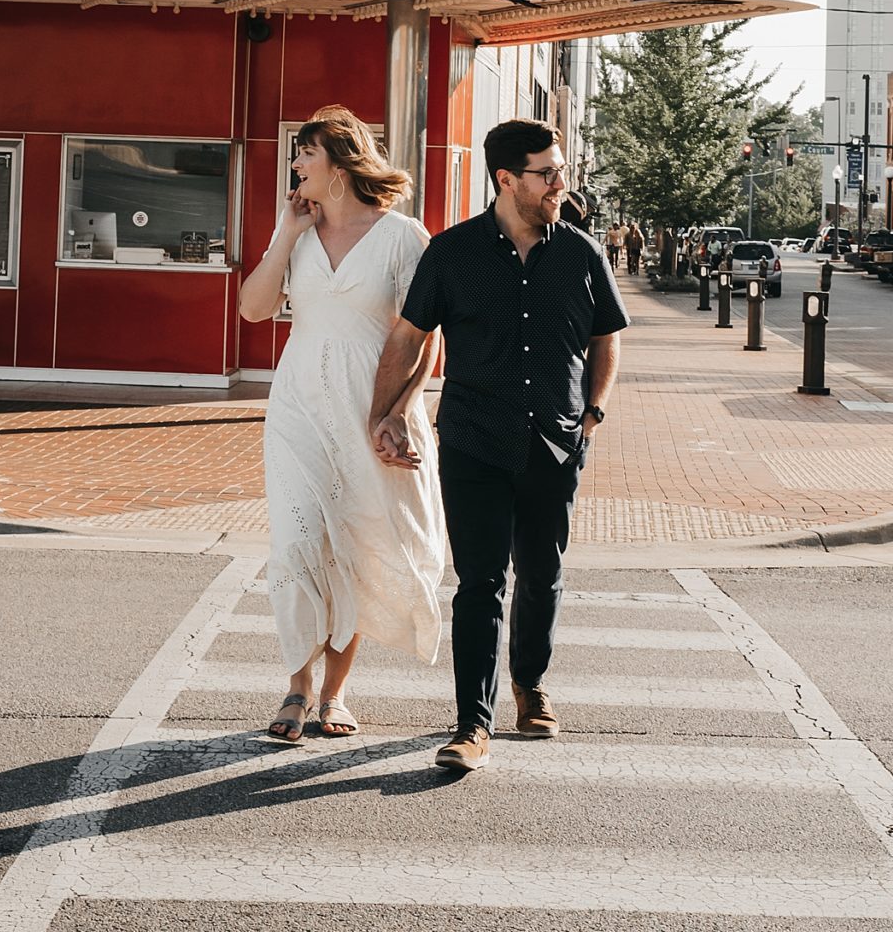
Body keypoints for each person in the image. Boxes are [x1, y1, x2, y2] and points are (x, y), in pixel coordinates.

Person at [370, 118, 629, 773]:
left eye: (559, 171)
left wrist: (591, 416)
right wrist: (385, 414)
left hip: (554, 442)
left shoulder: (579, 252)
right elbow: (407, 338)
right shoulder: (451, 253)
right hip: (474, 442)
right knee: (480, 583)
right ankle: (470, 724)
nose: (559, 185)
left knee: (541, 576)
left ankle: (529, 686)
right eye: (547, 174)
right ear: (505, 179)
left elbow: (606, 336)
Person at [239, 104, 443, 743]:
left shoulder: (404, 236)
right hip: (298, 401)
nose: (295, 164)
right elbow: (252, 309)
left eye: (305, 154)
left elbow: (424, 338)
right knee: (298, 543)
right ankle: (296, 687)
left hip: (367, 404)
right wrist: (282, 235)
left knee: (351, 546)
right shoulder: (296, 231)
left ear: (340, 164)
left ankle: (336, 693)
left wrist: (400, 411)